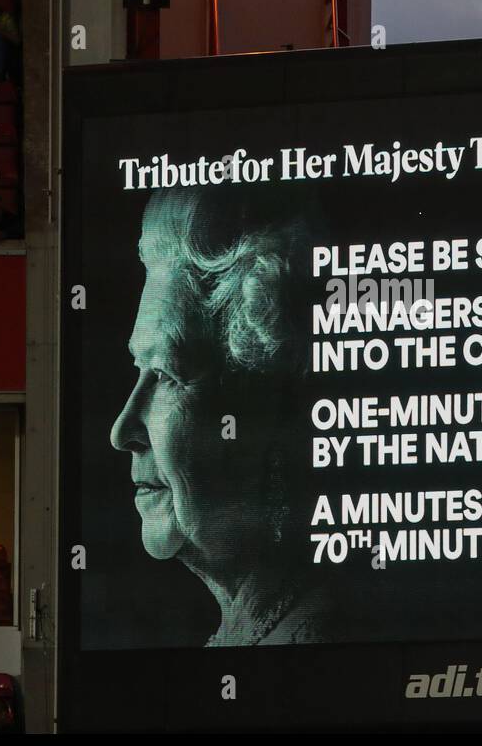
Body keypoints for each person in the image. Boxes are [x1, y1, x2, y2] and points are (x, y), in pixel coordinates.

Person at [109, 189, 330, 647]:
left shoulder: (319, 637)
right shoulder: (247, 634)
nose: (122, 431)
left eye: (168, 375)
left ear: (266, 415)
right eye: (139, 369)